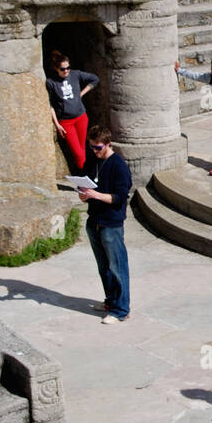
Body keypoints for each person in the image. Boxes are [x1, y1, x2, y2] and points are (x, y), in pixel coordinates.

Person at [80, 124, 132, 324]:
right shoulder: (92, 160)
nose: (94, 151)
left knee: (118, 267)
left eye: (98, 147)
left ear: (108, 144)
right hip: (94, 220)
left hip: (111, 223)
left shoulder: (118, 166)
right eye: (91, 146)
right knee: (104, 267)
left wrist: (96, 195)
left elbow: (120, 198)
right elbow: (85, 183)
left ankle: (121, 310)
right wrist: (83, 195)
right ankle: (110, 301)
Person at [45, 50, 98, 171]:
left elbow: (94, 79)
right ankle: (86, 175)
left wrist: (81, 93)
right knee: (78, 153)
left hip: (81, 117)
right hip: (66, 122)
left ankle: (85, 177)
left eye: (68, 67)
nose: (66, 71)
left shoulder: (75, 74)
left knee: (83, 149)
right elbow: (50, 105)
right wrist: (57, 125)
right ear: (56, 69)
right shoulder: (51, 82)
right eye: (63, 69)